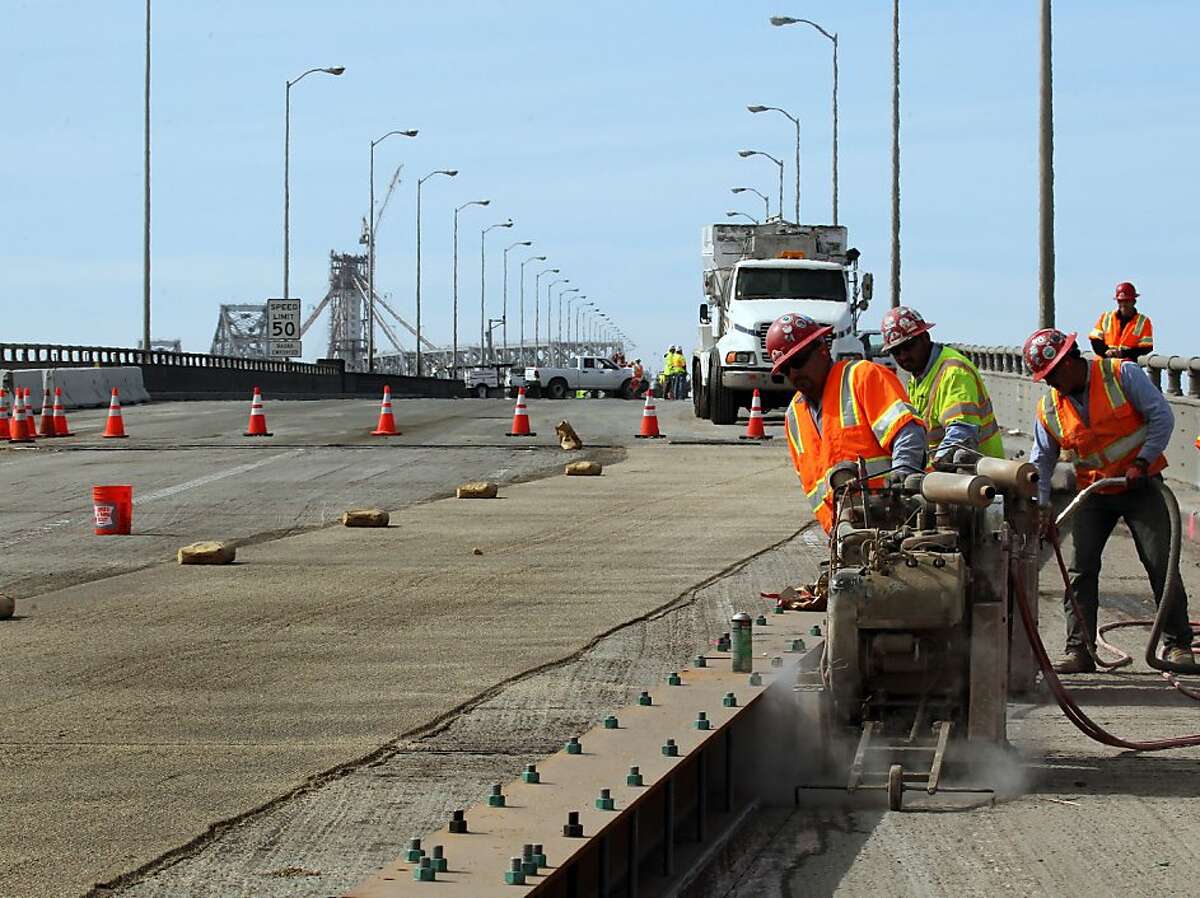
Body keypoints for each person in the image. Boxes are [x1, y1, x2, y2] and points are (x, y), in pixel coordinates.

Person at [1024, 327, 1193, 673]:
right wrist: (1040, 506)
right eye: (1045, 378)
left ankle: (1177, 644)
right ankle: (1079, 650)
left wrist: (1143, 461)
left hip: (1140, 486)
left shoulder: (1120, 374)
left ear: (1070, 360)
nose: (1051, 383)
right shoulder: (1050, 407)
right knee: (1080, 571)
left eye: (1053, 374)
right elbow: (1041, 460)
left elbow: (1162, 415)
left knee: (1161, 561)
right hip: (1095, 493)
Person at [768, 313, 926, 533]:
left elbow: (908, 432)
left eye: (798, 361)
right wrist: (837, 534)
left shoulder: (862, 377)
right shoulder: (793, 417)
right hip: (851, 535)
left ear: (822, 349)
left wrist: (901, 488)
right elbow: (815, 489)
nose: (794, 373)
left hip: (901, 522)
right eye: (785, 370)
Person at [879, 306, 1004, 462]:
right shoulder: (918, 377)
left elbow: (963, 433)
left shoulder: (954, 372)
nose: (903, 356)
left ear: (925, 338)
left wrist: (938, 463)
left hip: (978, 474)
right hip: (947, 477)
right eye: (896, 351)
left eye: (908, 346)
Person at [1089, 281, 1153, 361]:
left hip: (1126, 367)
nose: (1123, 304)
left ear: (1134, 302)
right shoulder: (1105, 317)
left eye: (1127, 300)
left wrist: (1123, 353)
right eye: (1120, 301)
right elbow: (1095, 339)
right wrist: (1106, 351)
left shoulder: (1144, 322)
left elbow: (1146, 348)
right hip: (1104, 365)